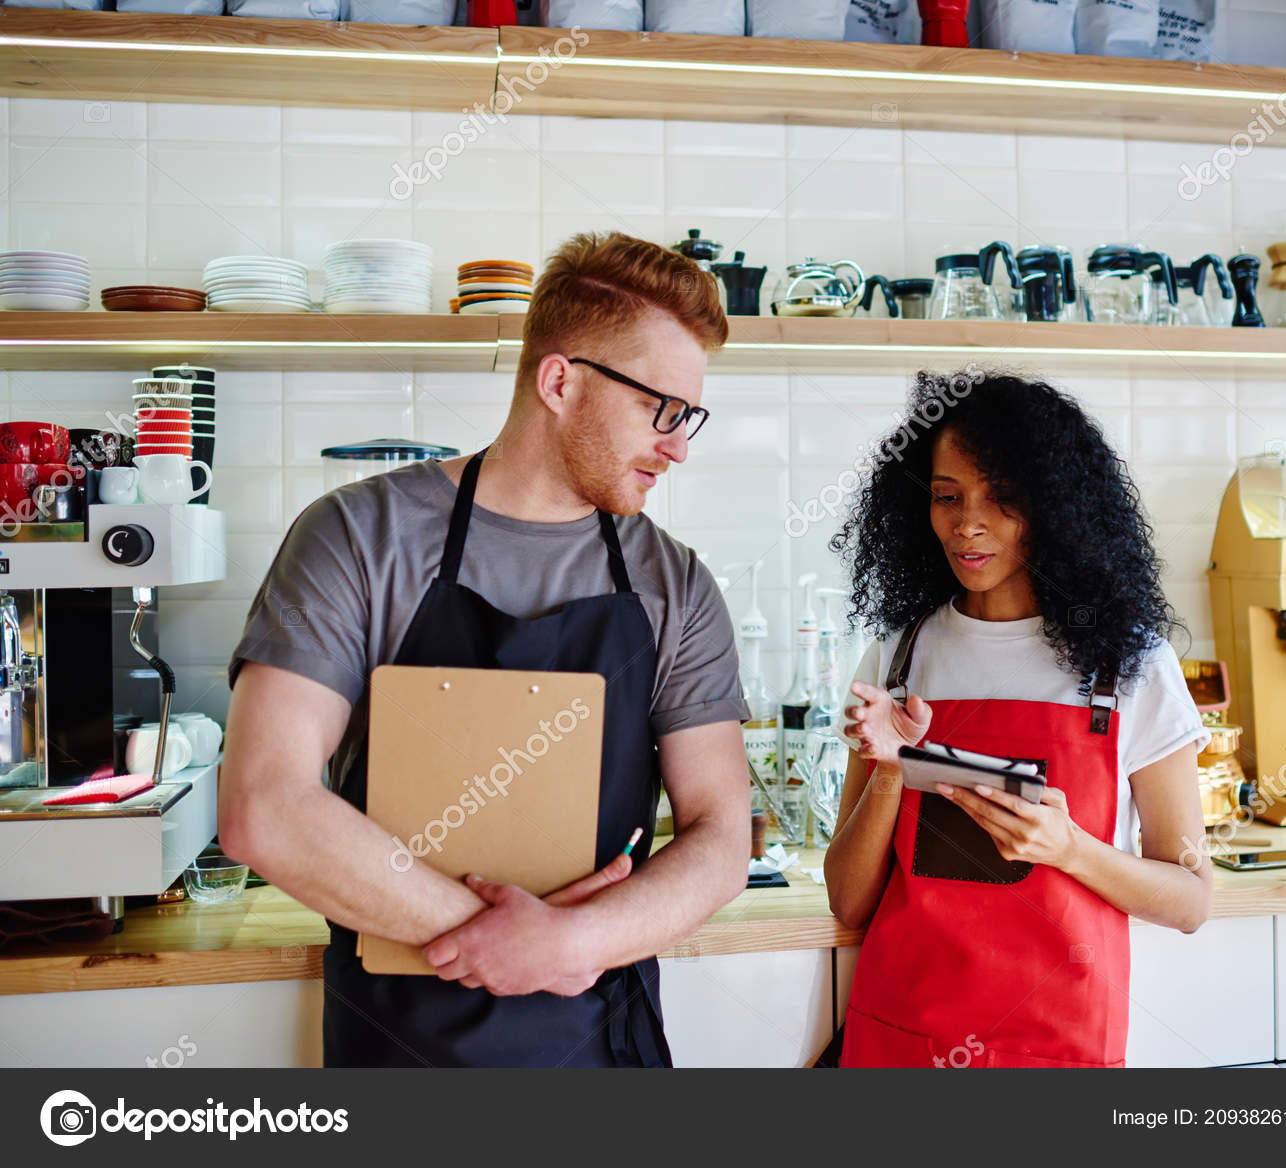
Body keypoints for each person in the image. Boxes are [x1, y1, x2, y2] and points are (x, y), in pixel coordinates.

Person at [219, 232, 751, 1068]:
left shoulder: (675, 583)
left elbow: (722, 838)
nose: (679, 444)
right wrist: (510, 941)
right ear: (560, 381)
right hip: (398, 1044)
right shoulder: (358, 539)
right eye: (662, 409)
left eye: (689, 416)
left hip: (597, 1041)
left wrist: (568, 946)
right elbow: (265, 805)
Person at [823, 371, 1212, 1069]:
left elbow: (1189, 900)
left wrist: (1069, 849)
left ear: (1056, 507)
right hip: (903, 1036)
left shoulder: (1129, 667)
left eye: (1001, 497)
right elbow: (851, 903)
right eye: (947, 497)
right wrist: (889, 768)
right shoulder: (900, 655)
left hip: (1057, 1047)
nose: (968, 524)